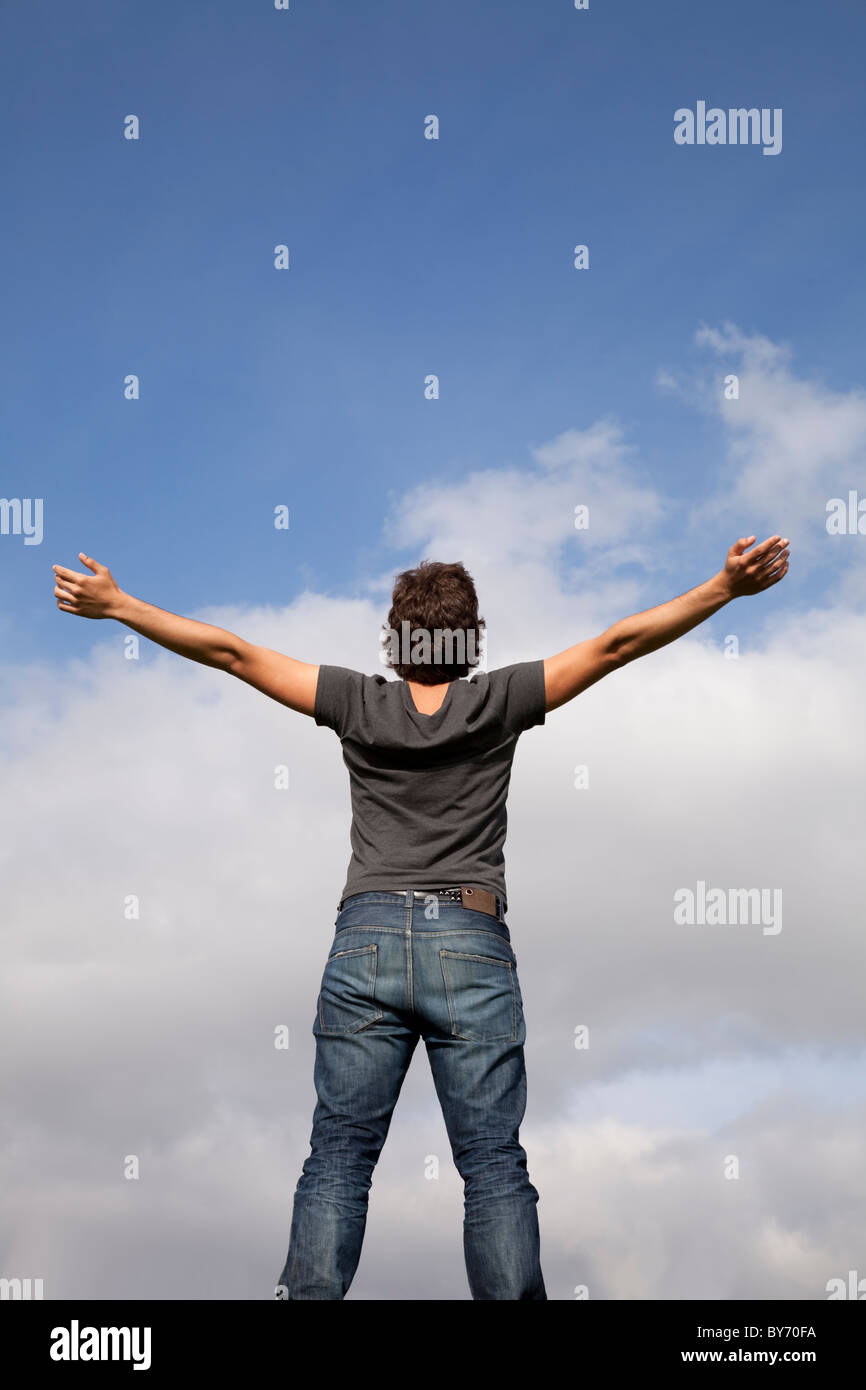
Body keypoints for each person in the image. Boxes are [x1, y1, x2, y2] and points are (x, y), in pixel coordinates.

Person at [52, 532, 789, 1300]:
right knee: (493, 1164)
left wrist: (119, 606)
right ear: (469, 642)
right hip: (470, 943)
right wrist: (723, 589)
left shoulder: (355, 701)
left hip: (364, 940)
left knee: (337, 1156)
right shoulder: (498, 701)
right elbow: (614, 645)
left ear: (396, 641)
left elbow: (232, 654)